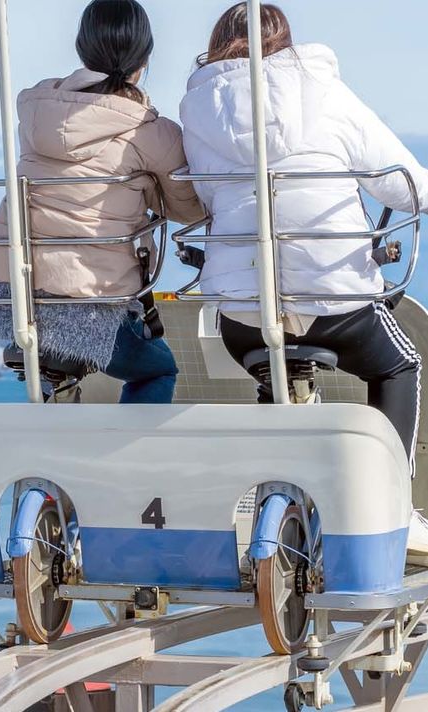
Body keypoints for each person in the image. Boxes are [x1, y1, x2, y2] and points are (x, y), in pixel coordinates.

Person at [180, 3, 428, 468]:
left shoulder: (198, 108)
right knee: (401, 365)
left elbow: (204, 199)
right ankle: (390, 490)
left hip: (243, 314)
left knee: (268, 364)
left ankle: (277, 481)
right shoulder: (323, 89)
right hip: (335, 302)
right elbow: (406, 187)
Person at [0, 0, 205, 404]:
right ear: (144, 58)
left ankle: (58, 409)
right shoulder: (150, 132)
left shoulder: (36, 113)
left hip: (17, 303)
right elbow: (189, 209)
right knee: (158, 368)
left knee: (50, 368)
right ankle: (131, 448)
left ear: (82, 48)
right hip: (92, 309)